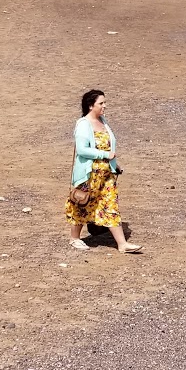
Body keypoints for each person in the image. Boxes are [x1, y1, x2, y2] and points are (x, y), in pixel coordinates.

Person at [68, 89, 141, 254]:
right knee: (83, 205)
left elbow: (109, 146)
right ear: (90, 105)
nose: (104, 106)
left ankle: (122, 244)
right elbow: (82, 150)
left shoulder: (103, 121)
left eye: (104, 103)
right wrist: (104, 155)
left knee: (111, 205)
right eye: (101, 103)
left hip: (106, 175)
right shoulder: (83, 124)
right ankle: (74, 238)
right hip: (89, 175)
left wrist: (115, 164)